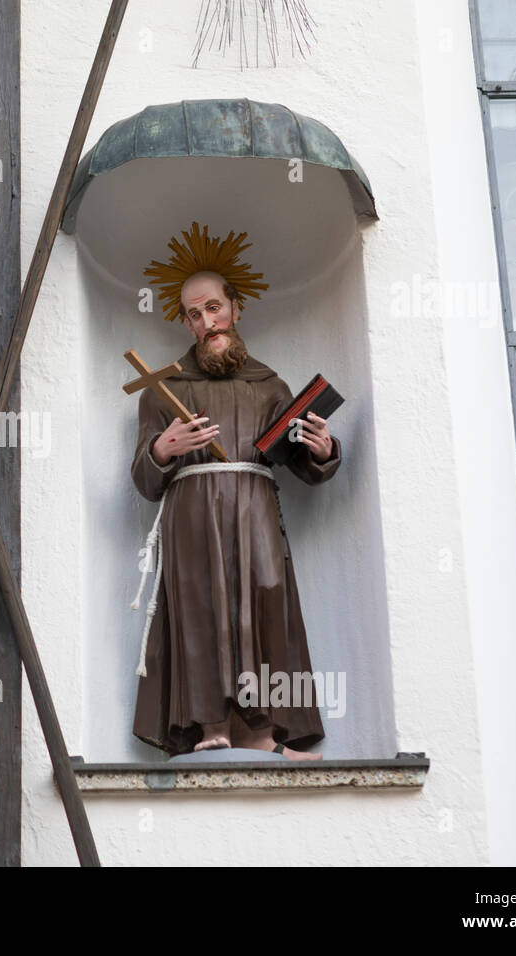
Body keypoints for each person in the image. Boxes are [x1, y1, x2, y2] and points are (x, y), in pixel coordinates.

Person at [132, 243, 341, 761]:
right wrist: (163, 448)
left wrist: (324, 449)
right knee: (200, 609)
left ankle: (264, 735)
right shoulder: (162, 390)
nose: (207, 321)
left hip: (255, 515)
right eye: (194, 314)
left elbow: (298, 461)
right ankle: (211, 727)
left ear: (235, 307)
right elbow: (142, 476)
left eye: (214, 307)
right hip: (192, 518)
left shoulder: (269, 386)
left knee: (266, 605)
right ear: (186, 323)